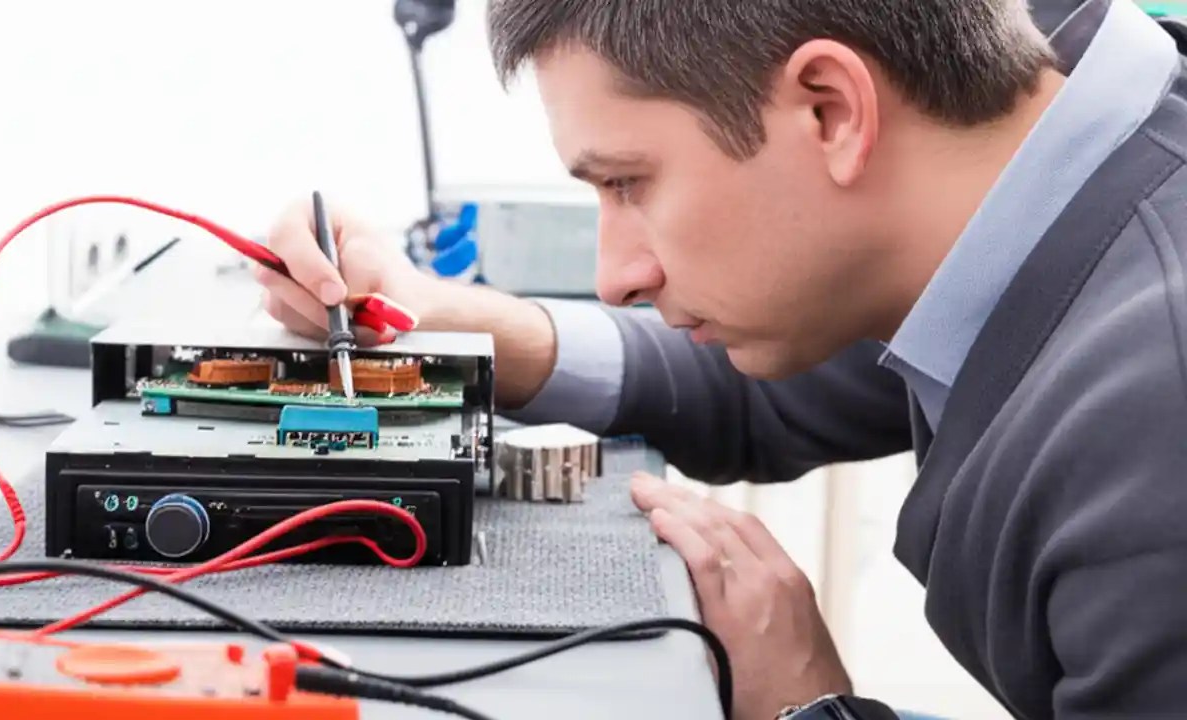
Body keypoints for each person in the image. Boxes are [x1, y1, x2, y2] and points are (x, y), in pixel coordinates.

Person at [256, 0, 1187, 717]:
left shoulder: (1156, 434)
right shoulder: (1024, 142)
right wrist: (444, 318)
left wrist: (807, 701)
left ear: (830, 111)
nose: (615, 276)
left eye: (629, 183)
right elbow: (771, 390)